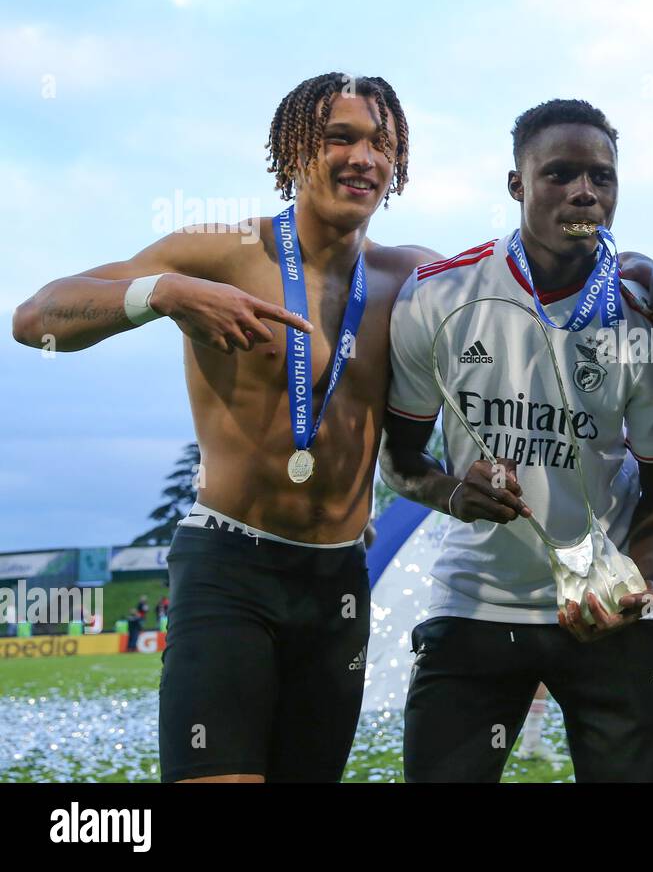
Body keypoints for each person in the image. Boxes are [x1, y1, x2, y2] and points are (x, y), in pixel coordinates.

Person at [13, 73, 436, 782]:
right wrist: (164, 292)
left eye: (382, 144)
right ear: (295, 147)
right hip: (229, 567)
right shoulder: (224, 253)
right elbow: (36, 318)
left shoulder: (409, 278)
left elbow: (513, 304)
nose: (364, 156)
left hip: (337, 577)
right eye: (341, 137)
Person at [380, 99, 653, 783]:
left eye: (601, 177)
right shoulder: (438, 296)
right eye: (560, 174)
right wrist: (455, 493)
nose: (584, 191)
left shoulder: (643, 318)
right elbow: (398, 460)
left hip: (607, 615)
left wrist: (638, 581)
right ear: (516, 185)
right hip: (475, 603)